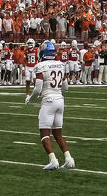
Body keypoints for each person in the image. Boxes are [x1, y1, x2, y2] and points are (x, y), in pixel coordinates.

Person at [28, 40, 76, 170]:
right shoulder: (61, 64)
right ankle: (69, 159)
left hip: (49, 100)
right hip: (60, 99)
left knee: (44, 133)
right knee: (58, 133)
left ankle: (53, 159)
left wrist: (30, 99)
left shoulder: (40, 66)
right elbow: (65, 87)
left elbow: (37, 89)